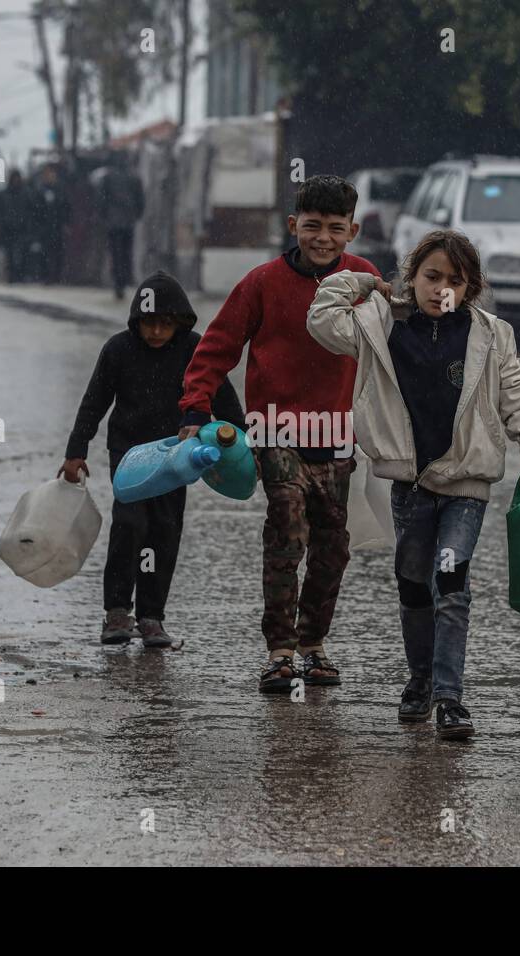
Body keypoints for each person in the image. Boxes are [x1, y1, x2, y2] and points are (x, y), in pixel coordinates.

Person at [306, 229, 520, 740]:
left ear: (471, 289)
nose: (441, 288)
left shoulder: (493, 336)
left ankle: (449, 698)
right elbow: (320, 322)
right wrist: (357, 280)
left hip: (467, 482)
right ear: (411, 277)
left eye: (455, 282)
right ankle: (418, 680)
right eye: (431, 276)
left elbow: (518, 396)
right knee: (413, 583)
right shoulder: (381, 325)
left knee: (450, 581)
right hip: (410, 484)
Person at [176, 175, 380, 693]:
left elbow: (392, 350)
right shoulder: (261, 283)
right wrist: (195, 407)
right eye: (312, 226)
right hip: (275, 432)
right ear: (293, 225)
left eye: (336, 228)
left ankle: (314, 646)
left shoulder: (365, 280)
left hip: (337, 434)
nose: (323, 238)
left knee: (333, 542)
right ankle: (280, 650)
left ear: (352, 231)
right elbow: (217, 349)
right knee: (288, 525)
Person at [60, 271, 245, 648]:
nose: (157, 332)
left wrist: (243, 443)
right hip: (129, 454)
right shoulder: (118, 350)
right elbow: (94, 402)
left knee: (164, 529)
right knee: (129, 525)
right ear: (136, 321)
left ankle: (151, 617)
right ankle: (116, 612)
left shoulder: (195, 350)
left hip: (178, 456)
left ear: (179, 322)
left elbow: (221, 397)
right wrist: (75, 452)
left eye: (165, 324)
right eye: (149, 324)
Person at [97, 153, 144, 299]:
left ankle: (118, 282)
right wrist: (137, 214)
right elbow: (141, 199)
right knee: (126, 252)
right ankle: (124, 279)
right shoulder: (134, 177)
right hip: (128, 220)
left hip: (113, 221)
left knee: (115, 252)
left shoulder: (108, 177)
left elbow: (101, 198)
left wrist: (103, 215)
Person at [0, 169, 36, 284]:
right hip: (8, 228)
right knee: (10, 253)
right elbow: (0, 211)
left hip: (21, 228)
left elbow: (31, 209)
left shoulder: (26, 193)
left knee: (22, 253)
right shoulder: (5, 194)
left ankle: (20, 275)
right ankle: (12, 276)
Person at [35, 164, 71, 284]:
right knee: (45, 252)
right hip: (45, 226)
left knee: (58, 252)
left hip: (57, 225)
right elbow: (37, 209)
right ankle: (46, 276)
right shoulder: (41, 190)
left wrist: (66, 222)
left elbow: (66, 207)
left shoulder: (60, 189)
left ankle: (57, 276)